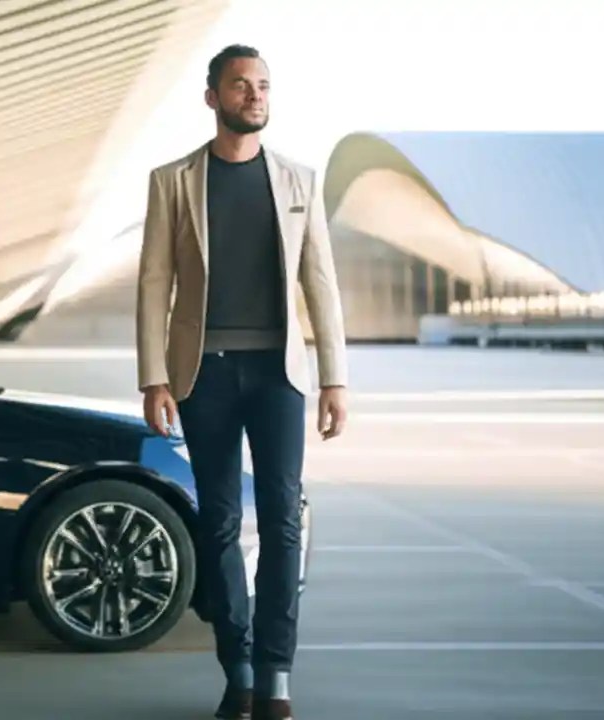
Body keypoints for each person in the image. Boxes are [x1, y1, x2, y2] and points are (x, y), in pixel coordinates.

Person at [135, 44, 349, 720]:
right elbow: (153, 284)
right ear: (212, 97)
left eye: (262, 85)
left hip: (279, 374)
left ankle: (277, 673)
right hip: (204, 376)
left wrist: (335, 380)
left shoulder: (299, 181)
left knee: (285, 520)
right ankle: (240, 667)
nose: (254, 95)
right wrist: (154, 378)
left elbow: (321, 283)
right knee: (220, 522)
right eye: (240, 85)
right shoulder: (174, 181)